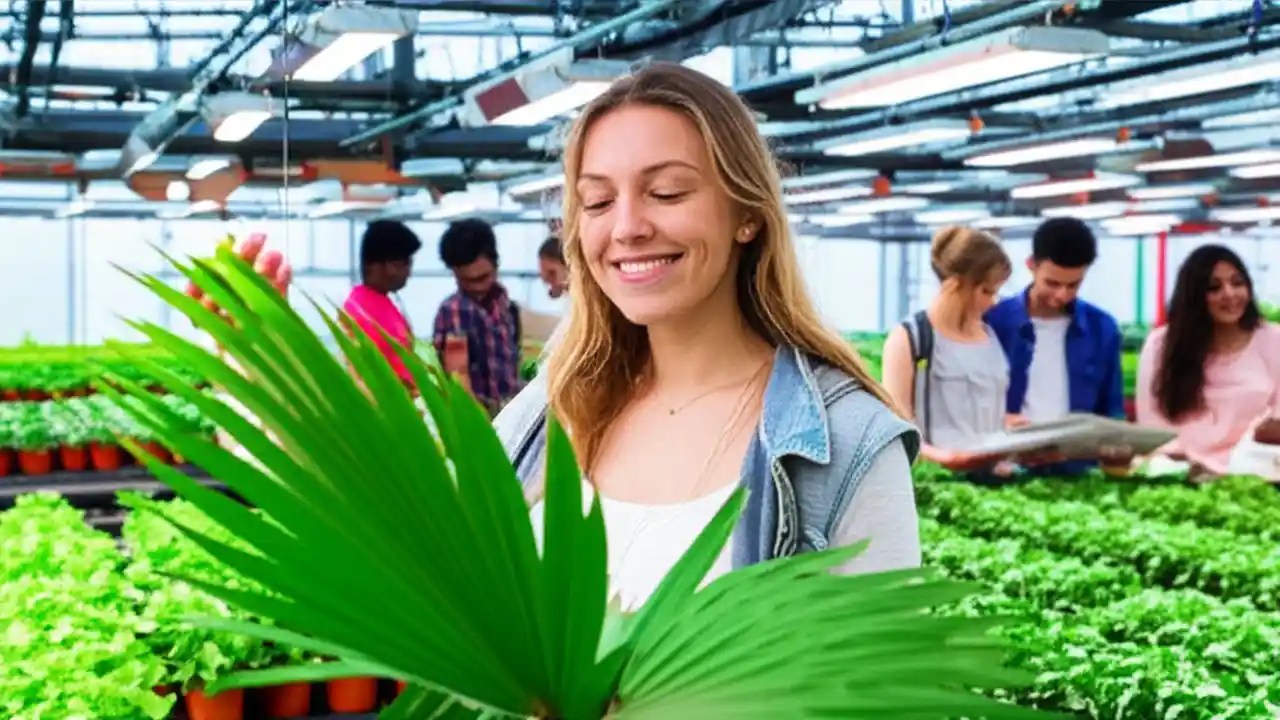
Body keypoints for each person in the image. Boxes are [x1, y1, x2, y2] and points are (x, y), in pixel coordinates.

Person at [491, 62, 921, 611]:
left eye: (667, 193)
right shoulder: (547, 411)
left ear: (746, 212)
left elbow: (878, 691)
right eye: (597, 202)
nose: (626, 228)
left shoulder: (845, 445)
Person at [984, 217, 1125, 474]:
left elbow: (1111, 410)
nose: (1062, 294)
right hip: (1008, 469)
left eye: (1073, 285)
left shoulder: (1102, 329)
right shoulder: (994, 323)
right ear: (1031, 266)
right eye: (1052, 283)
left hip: (1078, 473)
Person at [1136, 245, 1280, 478]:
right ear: (1193, 296)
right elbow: (1152, 426)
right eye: (1214, 287)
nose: (1230, 294)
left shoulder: (1273, 340)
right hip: (1180, 474)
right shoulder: (1161, 345)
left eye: (1237, 283)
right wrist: (1188, 466)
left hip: (1255, 475)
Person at [881, 226, 1012, 474]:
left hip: (995, 480)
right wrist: (947, 458)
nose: (993, 301)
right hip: (939, 484)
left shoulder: (990, 335)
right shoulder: (911, 338)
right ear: (955, 285)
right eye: (986, 291)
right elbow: (895, 430)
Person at [431, 218, 523, 416]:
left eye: (483, 277)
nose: (477, 287)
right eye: (466, 281)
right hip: (478, 417)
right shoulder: (454, 311)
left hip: (512, 414)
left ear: (496, 263)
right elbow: (457, 376)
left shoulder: (507, 308)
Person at [342, 220, 422, 390]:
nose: (408, 271)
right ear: (379, 265)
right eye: (403, 263)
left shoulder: (382, 302)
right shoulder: (360, 309)